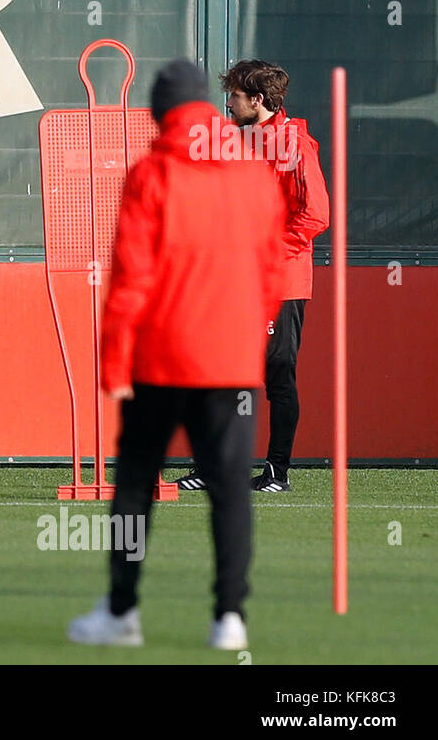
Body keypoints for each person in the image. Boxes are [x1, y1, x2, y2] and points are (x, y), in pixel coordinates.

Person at [67, 60, 285, 649]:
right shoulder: (255, 173)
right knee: (230, 489)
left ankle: (121, 612)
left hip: (161, 359)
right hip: (232, 364)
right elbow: (272, 272)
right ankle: (230, 618)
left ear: (160, 112)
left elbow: (131, 278)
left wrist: (114, 363)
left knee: (136, 486)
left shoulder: (152, 172)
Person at [174, 59, 330, 493]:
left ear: (257, 100)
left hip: (279, 281)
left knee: (277, 375)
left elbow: (316, 215)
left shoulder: (295, 143)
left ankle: (277, 473)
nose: (227, 103)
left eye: (234, 96)